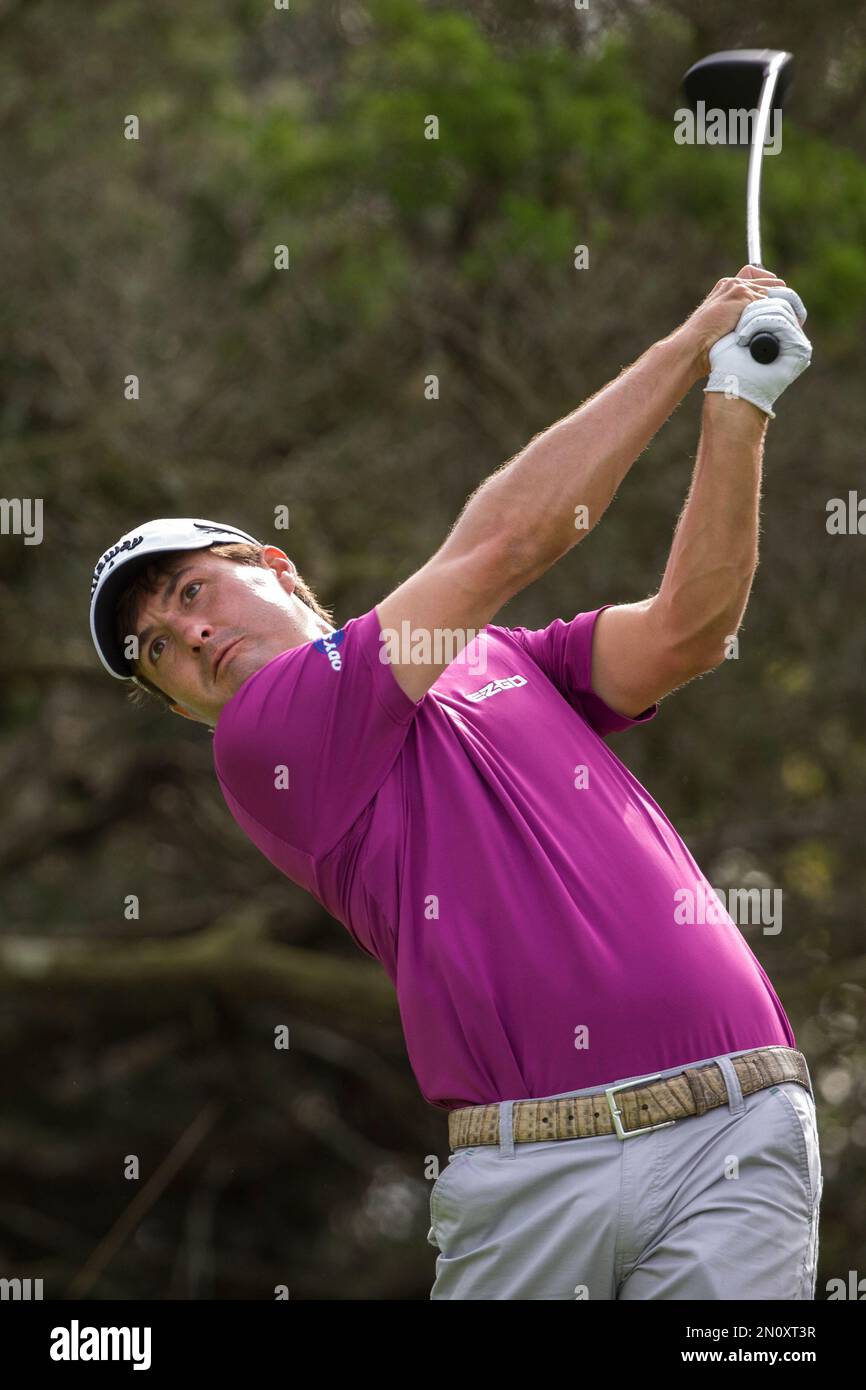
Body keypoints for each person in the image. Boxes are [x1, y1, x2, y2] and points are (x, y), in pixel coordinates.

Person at [89, 266, 820, 1299]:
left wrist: (735, 404)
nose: (190, 634)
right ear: (176, 704)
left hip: (734, 1131)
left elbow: (686, 633)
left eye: (192, 590)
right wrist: (691, 339)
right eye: (156, 649)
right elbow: (507, 542)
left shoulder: (498, 657)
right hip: (531, 1177)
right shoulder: (266, 739)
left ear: (278, 567)